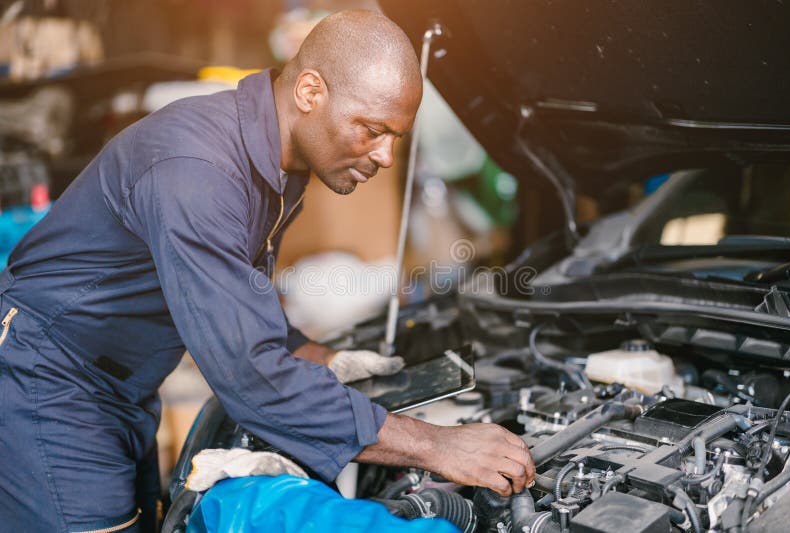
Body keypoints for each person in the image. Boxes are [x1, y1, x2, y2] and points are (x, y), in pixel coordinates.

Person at [0, 10, 534, 532]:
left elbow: (234, 297)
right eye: (372, 129)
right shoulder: (199, 172)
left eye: (396, 135)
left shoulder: (278, 159)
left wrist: (324, 358)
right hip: (48, 381)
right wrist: (437, 445)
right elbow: (249, 376)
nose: (387, 156)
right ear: (309, 92)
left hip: (120, 383)